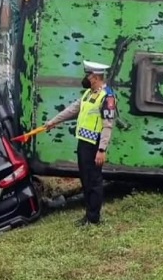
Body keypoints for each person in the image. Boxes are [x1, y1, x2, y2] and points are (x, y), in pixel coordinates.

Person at [44, 60, 117, 226]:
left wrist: (102, 149)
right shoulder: (88, 94)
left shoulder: (108, 97)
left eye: (89, 75)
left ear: (96, 77)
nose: (86, 78)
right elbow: (72, 109)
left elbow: (107, 125)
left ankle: (94, 218)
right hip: (84, 142)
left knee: (94, 181)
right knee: (85, 179)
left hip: (95, 145)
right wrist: (53, 122)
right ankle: (88, 214)